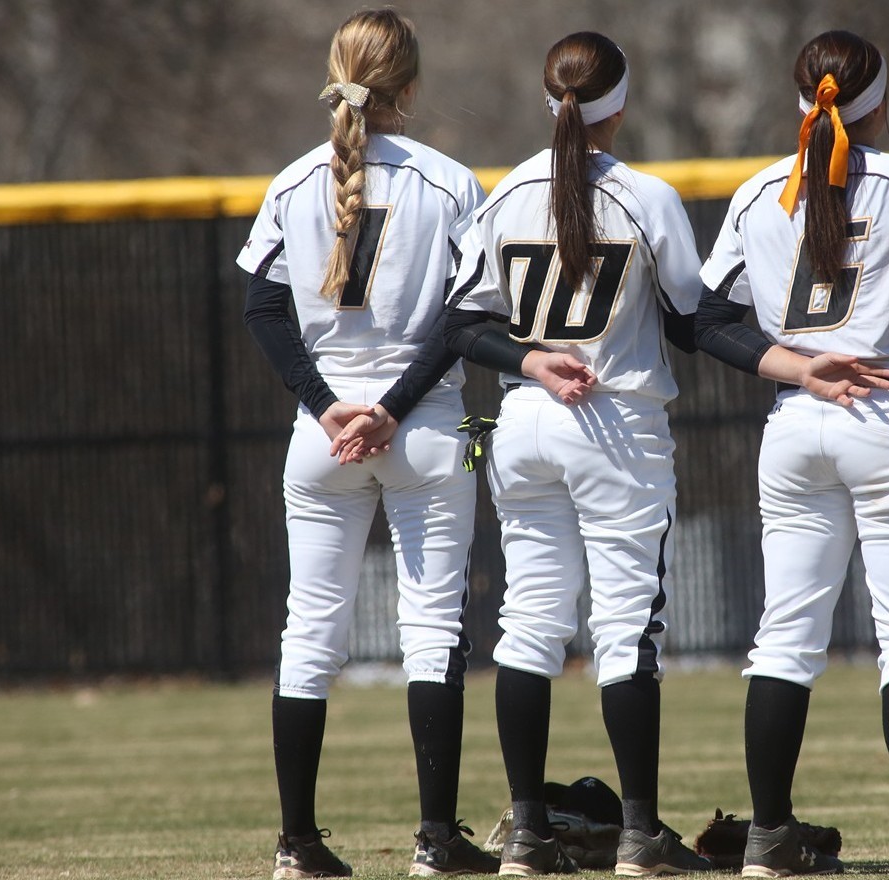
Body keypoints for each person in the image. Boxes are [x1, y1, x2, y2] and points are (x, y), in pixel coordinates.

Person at [694, 30, 889, 879]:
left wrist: (797, 360)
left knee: (783, 638)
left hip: (797, 417)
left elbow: (703, 321)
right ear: (880, 101)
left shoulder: (760, 191)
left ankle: (768, 841)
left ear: (802, 101)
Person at [441, 31, 712, 879]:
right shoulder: (645, 195)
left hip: (526, 417)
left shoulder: (503, 194)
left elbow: (462, 323)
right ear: (620, 105)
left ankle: (527, 834)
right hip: (616, 423)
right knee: (626, 629)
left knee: (528, 627)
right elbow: (693, 320)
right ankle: (639, 836)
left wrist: (529, 359)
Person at [236, 10, 500, 879]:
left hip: (320, 441)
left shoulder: (293, 179)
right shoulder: (454, 182)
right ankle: (436, 842)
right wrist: (390, 406)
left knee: (307, 635)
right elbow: (469, 321)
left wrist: (326, 405)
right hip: (431, 429)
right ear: (410, 87)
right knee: (433, 631)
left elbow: (262, 310)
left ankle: (297, 845)